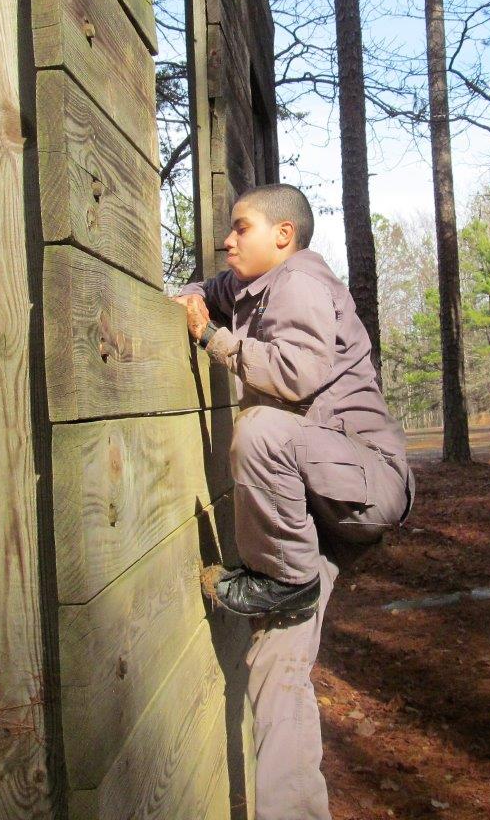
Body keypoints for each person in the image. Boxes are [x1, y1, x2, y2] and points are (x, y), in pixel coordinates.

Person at [173, 182, 414, 820]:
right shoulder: (251, 284)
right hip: (317, 504)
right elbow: (201, 292)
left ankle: (282, 579)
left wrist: (212, 341)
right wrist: (181, 300)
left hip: (365, 480)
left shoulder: (302, 282)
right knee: (276, 670)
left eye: (241, 227)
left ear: (284, 235)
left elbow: (294, 375)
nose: (227, 238)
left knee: (259, 427)